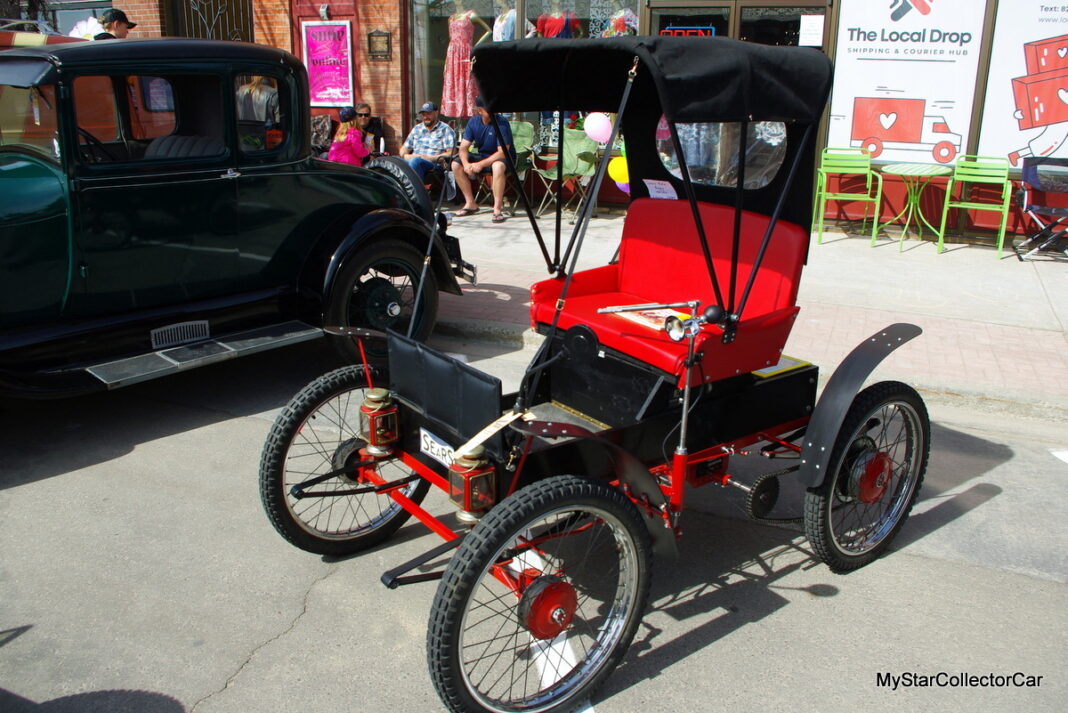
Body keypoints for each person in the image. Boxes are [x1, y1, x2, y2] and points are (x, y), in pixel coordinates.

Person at [451, 96, 514, 223]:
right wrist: (466, 164)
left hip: (504, 158)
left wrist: (480, 164)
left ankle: (497, 209)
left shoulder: (502, 123)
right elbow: (463, 148)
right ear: (480, 111)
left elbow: (502, 152)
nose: (493, 112)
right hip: (483, 155)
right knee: (455, 164)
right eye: (489, 109)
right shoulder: (473, 122)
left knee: (497, 166)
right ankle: (470, 204)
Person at [441, 0, 491, 117]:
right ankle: (457, 120)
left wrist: (474, 45)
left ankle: (469, 117)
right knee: (454, 84)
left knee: (468, 82)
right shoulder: (451, 18)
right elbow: (451, 38)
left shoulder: (471, 15)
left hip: (465, 53)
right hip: (452, 55)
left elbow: (488, 30)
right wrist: (446, 63)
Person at [400, 102, 457, 181]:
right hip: (413, 160)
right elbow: (404, 149)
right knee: (392, 161)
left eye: (428, 114)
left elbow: (452, 153)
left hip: (434, 165)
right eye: (423, 114)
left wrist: (429, 158)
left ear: (436, 113)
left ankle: (416, 192)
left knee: (415, 161)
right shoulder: (417, 128)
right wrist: (405, 156)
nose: (426, 117)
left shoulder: (445, 129)